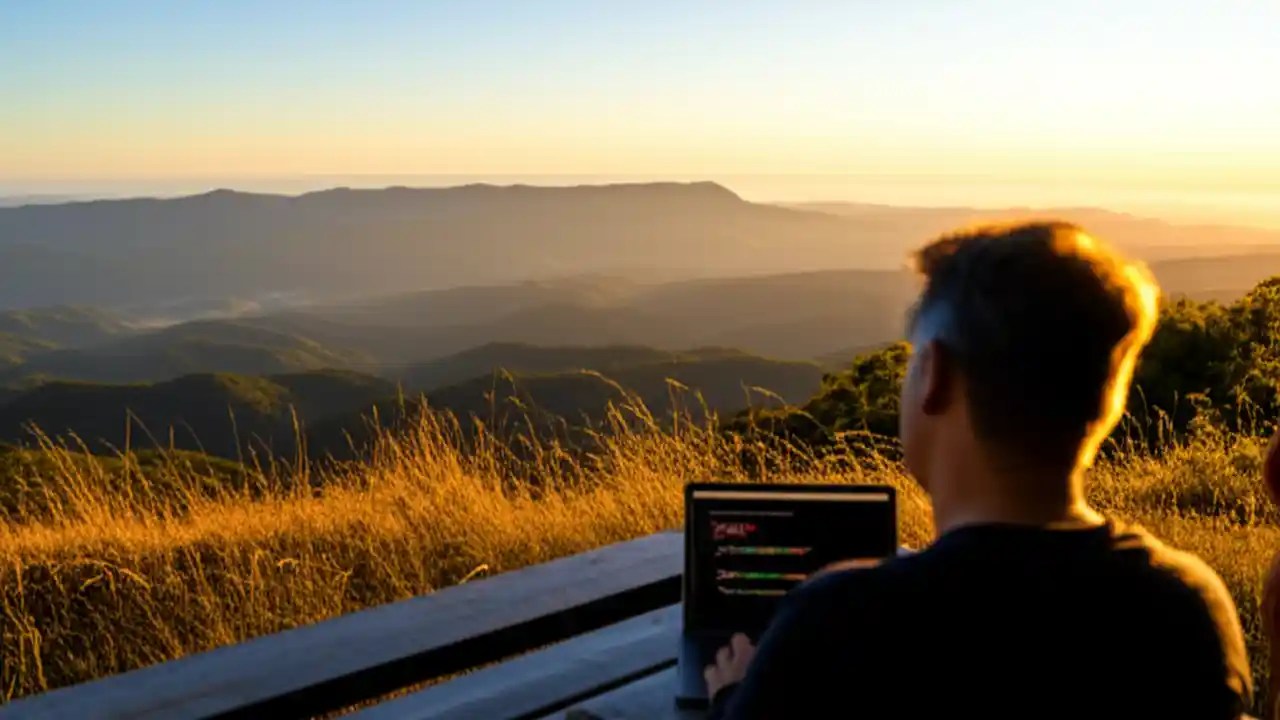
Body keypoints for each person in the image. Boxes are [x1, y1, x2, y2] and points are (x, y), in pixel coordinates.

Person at [704, 221, 1253, 719]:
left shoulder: (840, 621)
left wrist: (734, 694)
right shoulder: (1186, 606)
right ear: (1108, 400)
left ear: (936, 375)